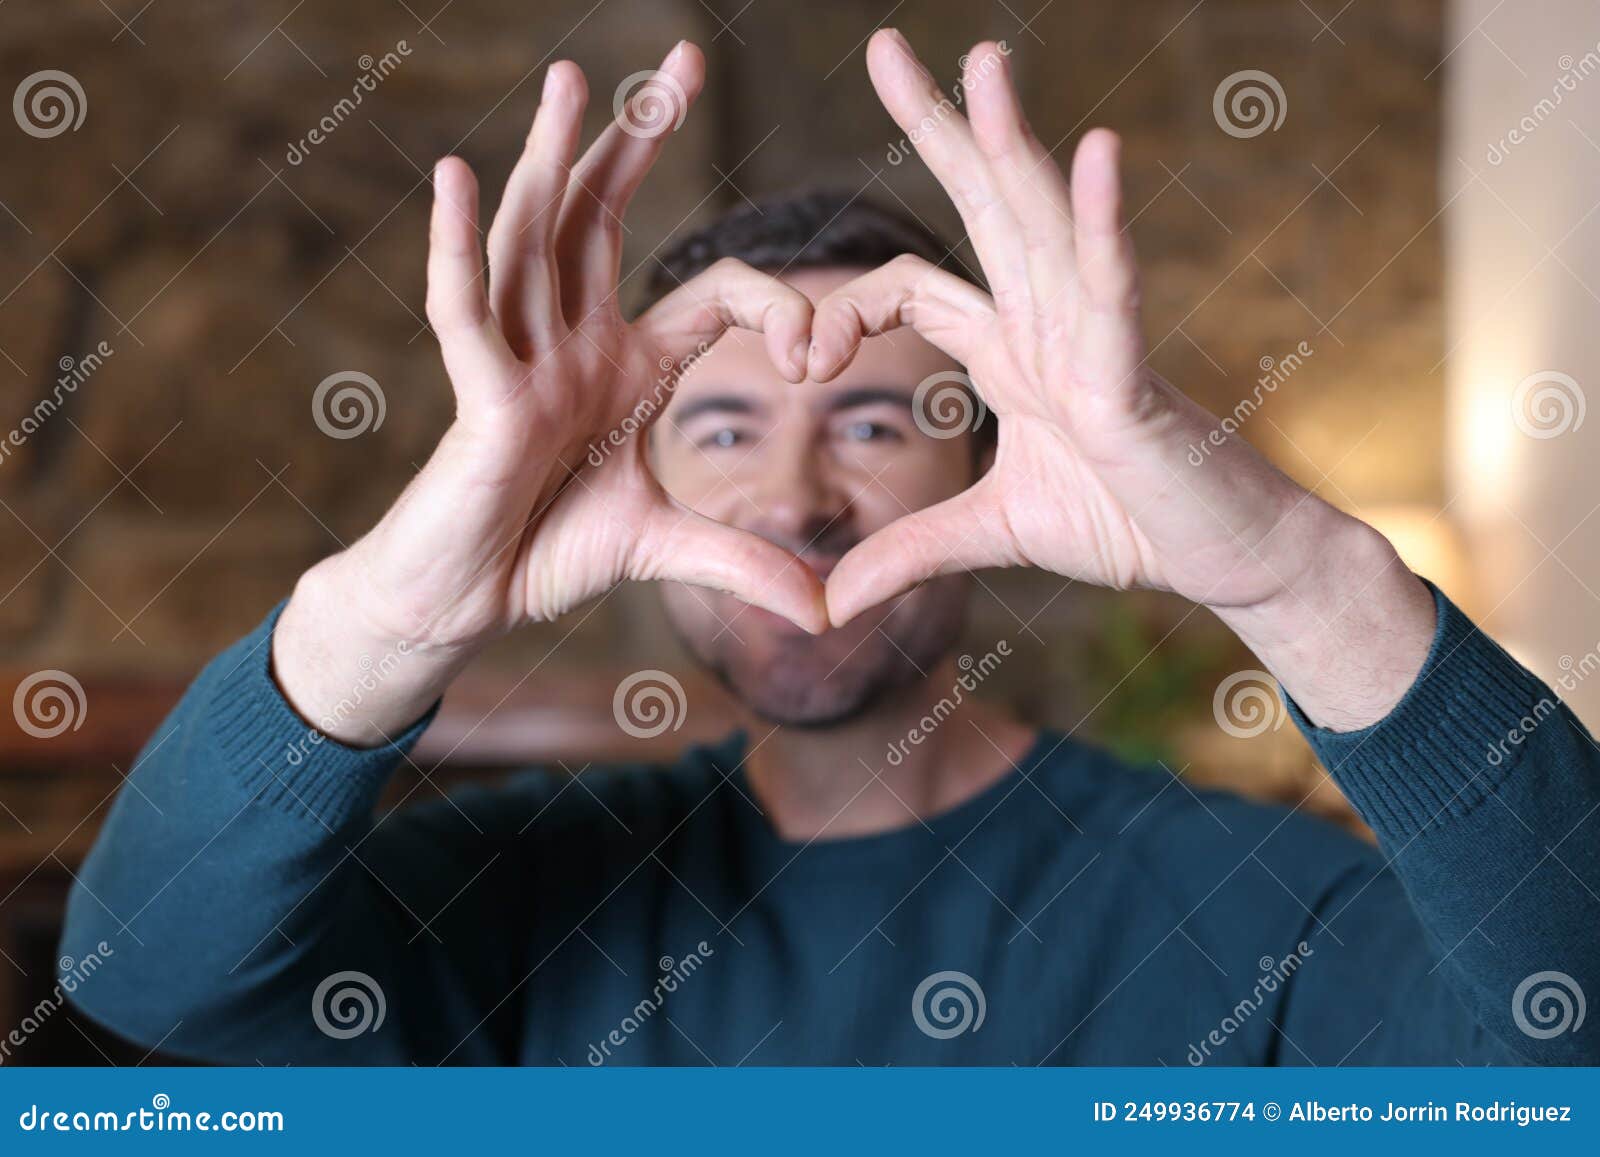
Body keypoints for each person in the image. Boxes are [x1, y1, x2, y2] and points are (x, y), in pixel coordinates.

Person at [60, 31, 1597, 1066]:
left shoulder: (1243, 904)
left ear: (986, 464)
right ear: (626, 484)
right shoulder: (512, 893)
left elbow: (1566, 1034)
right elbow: (140, 975)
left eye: (873, 421)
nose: (795, 495)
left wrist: (1289, 568)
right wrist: (398, 605)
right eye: (720, 428)